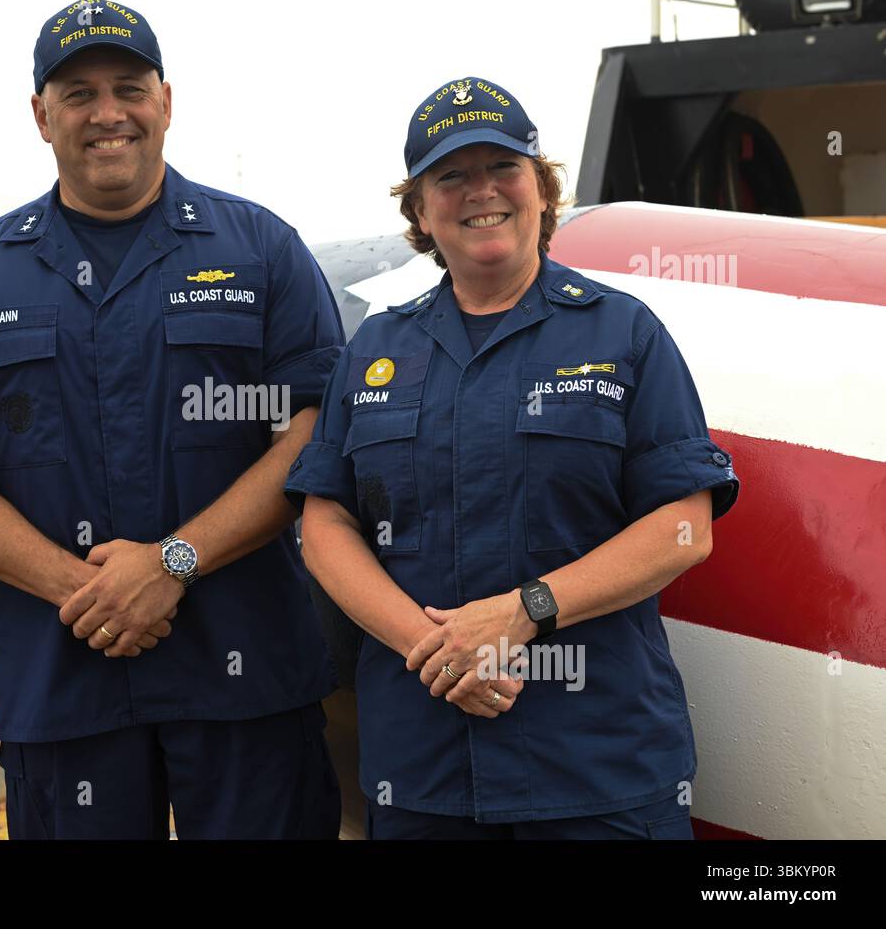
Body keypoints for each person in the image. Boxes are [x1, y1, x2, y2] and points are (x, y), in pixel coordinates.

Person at [0, 0, 343, 839]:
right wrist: (89, 591)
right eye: (78, 93)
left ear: (165, 101)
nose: (107, 114)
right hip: (65, 680)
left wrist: (173, 563)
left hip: (245, 679)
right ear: (40, 115)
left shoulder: (263, 250)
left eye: (128, 87)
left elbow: (314, 439)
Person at [285, 76, 740, 839]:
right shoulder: (375, 352)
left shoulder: (624, 334)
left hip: (600, 773)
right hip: (425, 770)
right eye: (451, 176)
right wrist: (432, 646)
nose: (481, 192)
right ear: (420, 210)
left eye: (503, 168)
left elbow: (683, 528)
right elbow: (325, 525)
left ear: (542, 189)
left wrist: (525, 611)